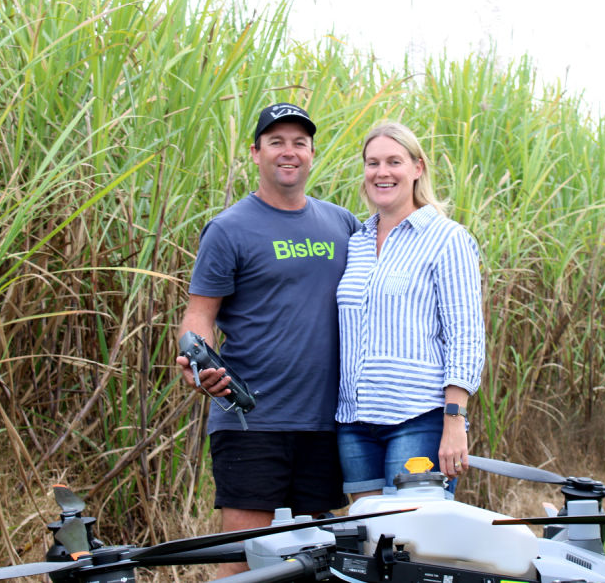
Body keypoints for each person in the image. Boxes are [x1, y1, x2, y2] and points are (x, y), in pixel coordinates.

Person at [176, 102, 359, 576]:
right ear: (255, 153)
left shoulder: (342, 224)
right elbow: (198, 316)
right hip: (251, 422)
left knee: (315, 563)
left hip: (325, 423)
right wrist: (198, 364)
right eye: (276, 142)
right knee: (245, 560)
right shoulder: (229, 229)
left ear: (312, 154)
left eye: (299, 143)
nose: (289, 152)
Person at [335, 121, 485, 501]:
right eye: (372, 163)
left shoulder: (447, 238)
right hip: (354, 422)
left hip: (416, 419)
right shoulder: (356, 242)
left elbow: (465, 334)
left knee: (411, 546)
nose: (381, 173)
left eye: (393, 161)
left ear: (417, 168)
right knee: (367, 545)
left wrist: (455, 421)